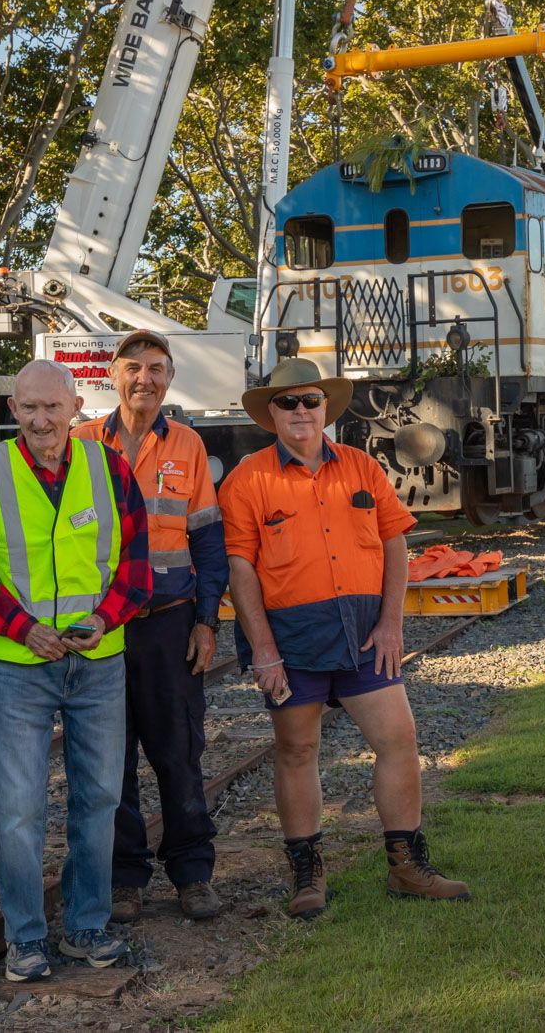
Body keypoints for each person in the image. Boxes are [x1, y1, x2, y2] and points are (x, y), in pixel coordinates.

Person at [218, 357, 469, 920]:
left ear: (326, 407)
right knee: (297, 749)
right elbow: (241, 570)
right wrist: (262, 649)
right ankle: (307, 873)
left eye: (310, 400)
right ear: (272, 414)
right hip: (292, 635)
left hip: (363, 632)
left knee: (399, 739)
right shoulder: (247, 479)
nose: (301, 411)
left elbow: (396, 544)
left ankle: (408, 865)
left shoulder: (360, 466)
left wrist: (390, 623)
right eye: (288, 403)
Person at [0, 360, 151, 983]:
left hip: (97, 661)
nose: (40, 420)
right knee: (18, 807)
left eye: (52, 407)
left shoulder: (109, 468)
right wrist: (23, 629)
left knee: (99, 799)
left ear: (75, 407)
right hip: (20, 666)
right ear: (12, 409)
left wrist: (105, 617)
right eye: (28, 408)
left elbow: (136, 564)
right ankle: (26, 939)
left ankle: (87, 926)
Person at [71, 331, 229, 923]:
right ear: (112, 374)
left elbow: (208, 543)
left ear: (169, 378)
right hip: (103, 630)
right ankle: (124, 878)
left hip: (168, 625)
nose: (145, 378)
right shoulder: (81, 442)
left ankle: (193, 872)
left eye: (157, 369)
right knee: (108, 759)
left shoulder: (187, 446)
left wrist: (207, 621)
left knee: (179, 752)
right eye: (134, 367)